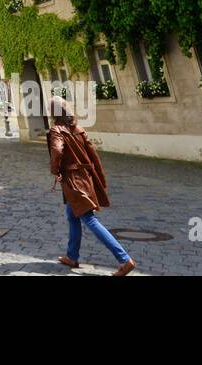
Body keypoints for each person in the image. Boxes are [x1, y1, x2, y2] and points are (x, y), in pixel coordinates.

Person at [47, 95, 136, 276]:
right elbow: (94, 156)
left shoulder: (57, 130)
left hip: (73, 182)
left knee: (89, 219)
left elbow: (57, 150)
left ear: (53, 113)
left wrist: (55, 170)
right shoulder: (79, 129)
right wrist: (100, 179)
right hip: (84, 178)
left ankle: (125, 260)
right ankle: (72, 256)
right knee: (72, 216)